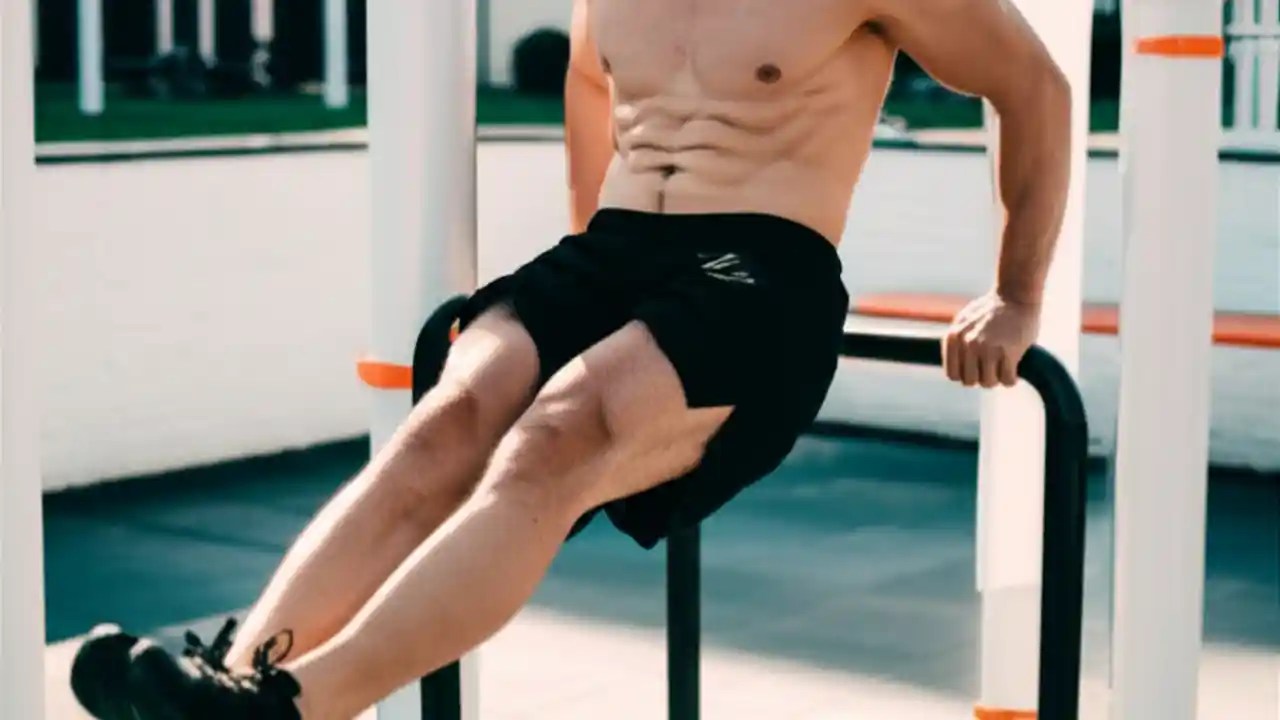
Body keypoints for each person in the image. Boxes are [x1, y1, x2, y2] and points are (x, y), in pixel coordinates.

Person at [71, 0, 1070, 717]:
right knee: (442, 425)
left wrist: (1016, 295)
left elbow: (1033, 87)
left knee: (552, 439)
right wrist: (592, 247)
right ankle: (229, 682)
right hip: (617, 250)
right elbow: (589, 80)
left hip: (763, 265)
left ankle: (294, 708)